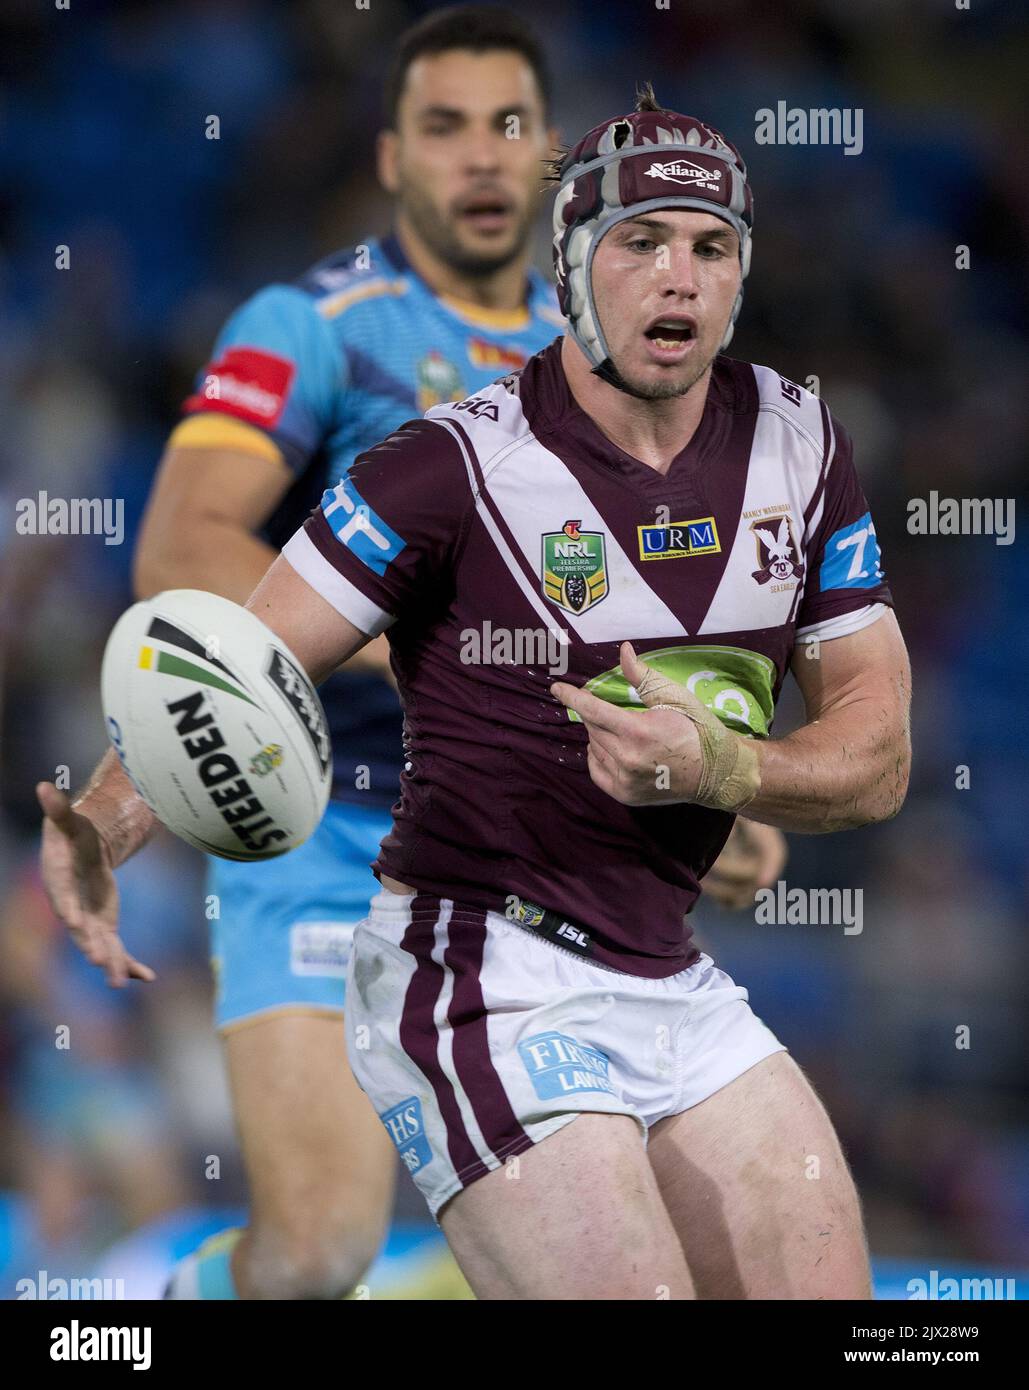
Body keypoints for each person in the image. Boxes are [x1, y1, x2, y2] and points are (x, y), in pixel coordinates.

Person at [36, 87, 842, 1300]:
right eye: (639, 241)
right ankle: (130, 1310)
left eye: (707, 246)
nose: (674, 274)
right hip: (370, 864)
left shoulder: (776, 440)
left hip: (640, 954)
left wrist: (718, 782)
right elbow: (228, 622)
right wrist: (111, 813)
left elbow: (827, 736)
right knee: (316, 1252)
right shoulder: (386, 396)